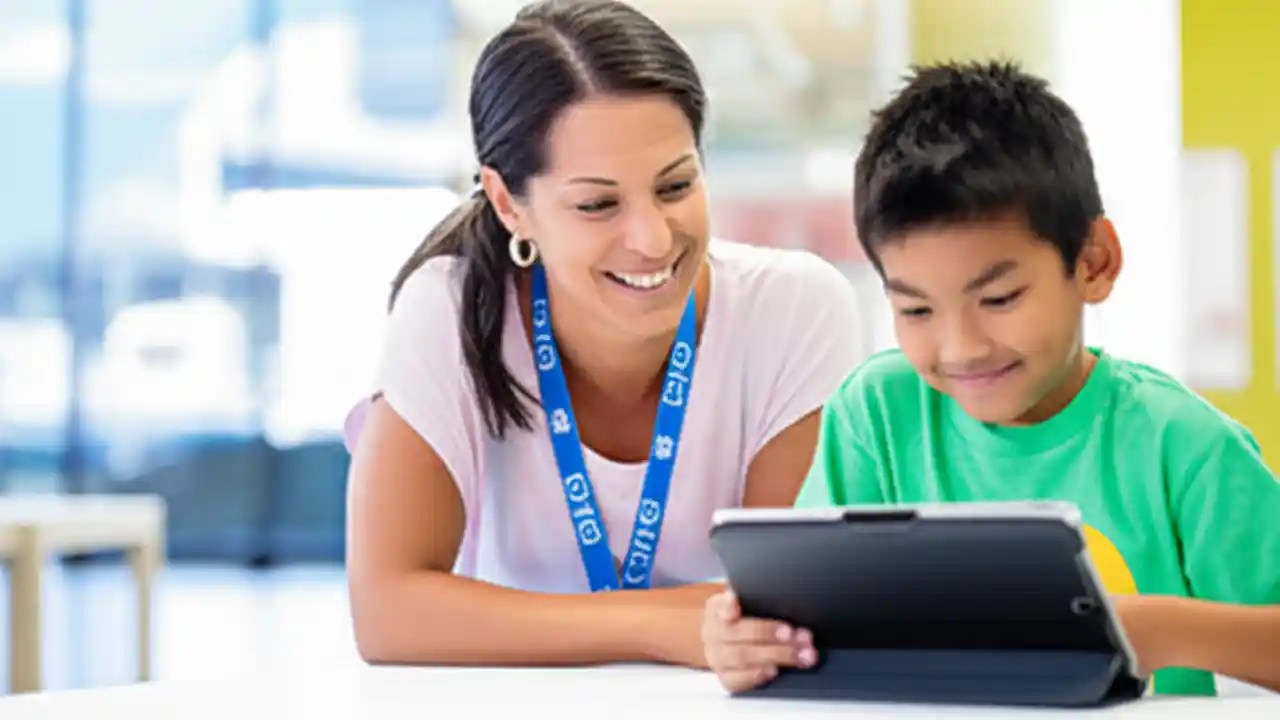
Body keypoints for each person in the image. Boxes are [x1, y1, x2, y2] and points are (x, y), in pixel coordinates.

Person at [702, 60, 1280, 696]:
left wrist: (1160, 630)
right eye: (916, 309)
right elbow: (804, 619)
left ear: (1093, 262)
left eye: (1000, 298)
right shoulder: (876, 415)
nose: (961, 348)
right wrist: (745, 639)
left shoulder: (1185, 447)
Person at [344, 0, 864, 669]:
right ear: (509, 204)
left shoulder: (794, 307)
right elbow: (389, 613)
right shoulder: (449, 308)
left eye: (675, 186)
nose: (651, 238)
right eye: (598, 204)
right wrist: (659, 624)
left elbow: (784, 608)